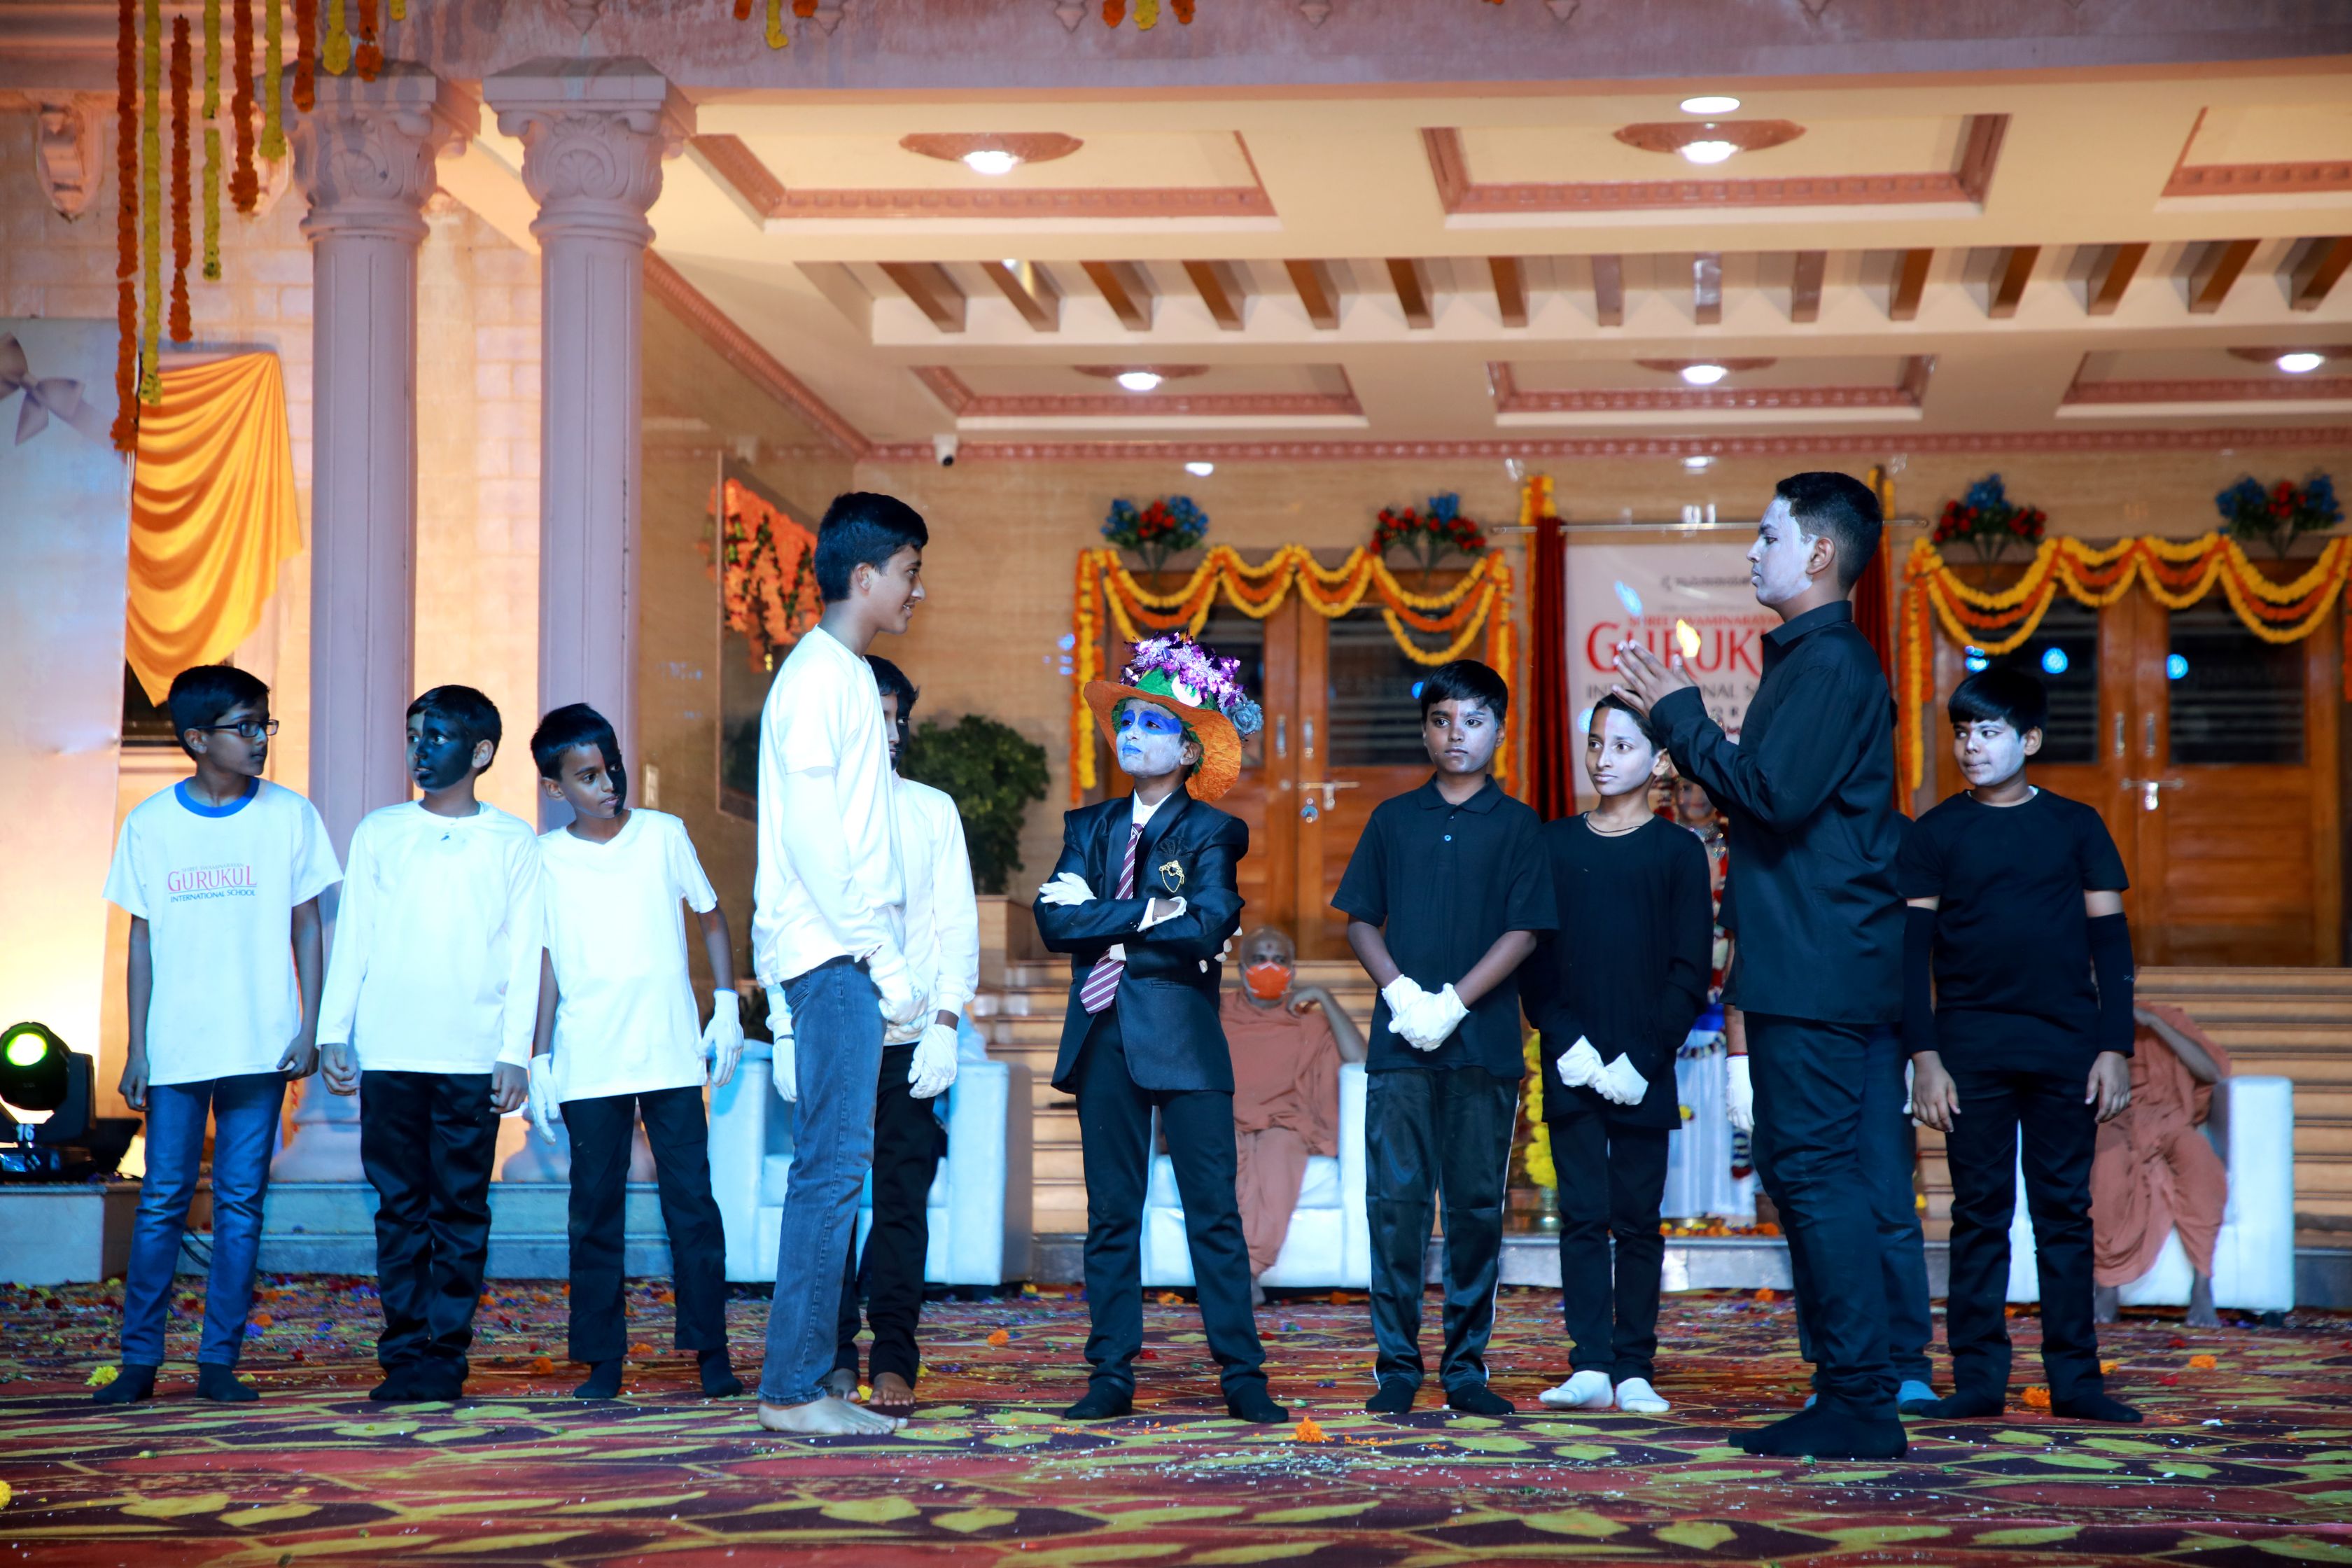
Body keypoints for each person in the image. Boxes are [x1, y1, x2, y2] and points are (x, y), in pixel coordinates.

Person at [1612, 470, 1907, 1460]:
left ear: (1819, 554)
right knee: (1803, 1172)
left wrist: (1684, 722)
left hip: (1823, 963)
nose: (1752, 552)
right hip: (1803, 958)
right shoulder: (1807, 665)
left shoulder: (1831, 667)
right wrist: (1693, 729)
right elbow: (1777, 798)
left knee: (1819, 1176)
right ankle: (1846, 1389)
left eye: (1768, 535)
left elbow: (1773, 798)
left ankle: (1862, 1399)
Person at [1033, 633, 1286, 1424]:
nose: (1132, 735)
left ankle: (1242, 1372)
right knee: (1112, 1213)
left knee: (1213, 1209)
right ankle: (1110, 1369)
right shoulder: (1088, 824)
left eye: (1151, 724)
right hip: (1103, 1032)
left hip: (1183, 1039)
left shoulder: (1212, 832)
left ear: (1185, 747)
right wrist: (1149, 912)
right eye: (1127, 722)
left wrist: (1103, 922)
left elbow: (1209, 925)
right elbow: (1051, 920)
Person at [95, 666, 340, 1406]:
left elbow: (308, 925)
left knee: (240, 1203)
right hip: (176, 1045)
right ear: (197, 738)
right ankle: (140, 1358)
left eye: (266, 724)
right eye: (246, 727)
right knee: (164, 1197)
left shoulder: (291, 815)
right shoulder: (150, 822)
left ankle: (217, 1360)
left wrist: (311, 1025)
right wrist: (137, 1046)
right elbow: (140, 940)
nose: (261, 739)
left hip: (261, 1042)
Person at [1905, 668, 2141, 1424]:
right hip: (1970, 1048)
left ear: (2030, 740)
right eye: (1964, 731)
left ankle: (2076, 1380)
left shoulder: (2077, 825)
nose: (1972, 745)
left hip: (2066, 1047)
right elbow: (1910, 956)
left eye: (1991, 730)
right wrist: (1926, 1055)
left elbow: (2112, 945)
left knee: (2064, 1213)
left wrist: (2115, 1047)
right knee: (1979, 1212)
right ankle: (1978, 1380)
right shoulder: (1936, 831)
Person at [750, 493, 937, 1436]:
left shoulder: (841, 676)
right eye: (909, 572)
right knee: (830, 1174)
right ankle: (793, 1389)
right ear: (863, 576)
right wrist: (882, 956)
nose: (917, 590)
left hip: (841, 956)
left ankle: (809, 1380)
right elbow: (824, 848)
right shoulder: (824, 678)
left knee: (834, 1173)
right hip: (834, 958)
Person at [1334, 658, 1555, 1418]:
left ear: (1497, 728)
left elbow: (1526, 931)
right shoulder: (1393, 818)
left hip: (1483, 1044)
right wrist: (1398, 990)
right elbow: (1360, 915)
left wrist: (1455, 1002)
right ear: (1424, 728)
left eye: (1472, 719)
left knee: (1473, 1207)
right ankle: (1397, 1363)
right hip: (1399, 1048)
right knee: (1393, 1204)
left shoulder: (1520, 824)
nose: (1455, 733)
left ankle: (1465, 1368)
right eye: (1440, 719)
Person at [316, 685, 542, 1404]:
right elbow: (353, 936)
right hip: (389, 1051)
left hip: (472, 1056)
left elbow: (525, 951)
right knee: (398, 1205)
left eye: (438, 735)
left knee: (462, 1207)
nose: (421, 747)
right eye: (414, 733)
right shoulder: (381, 830)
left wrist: (516, 1051)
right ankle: (403, 1349)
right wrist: (333, 1030)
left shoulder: (512, 840)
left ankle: (446, 1353)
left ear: (480, 752)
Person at [522, 703, 746, 1402]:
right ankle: (602, 1359)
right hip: (589, 1057)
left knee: (692, 1205)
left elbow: (710, 913)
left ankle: (711, 1351)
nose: (607, 783)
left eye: (611, 766)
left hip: (671, 1050)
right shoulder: (544, 857)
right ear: (557, 788)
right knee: (593, 1209)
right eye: (587, 775)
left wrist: (728, 1005)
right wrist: (538, 1057)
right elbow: (547, 957)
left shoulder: (662, 835)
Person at [1525, 696, 1712, 1416]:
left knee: (1637, 1216)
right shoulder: (1552, 843)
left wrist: (1641, 1056)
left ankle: (1634, 1363)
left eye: (1623, 745)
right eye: (1596, 742)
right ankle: (1590, 1363)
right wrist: (1565, 1039)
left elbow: (1688, 969)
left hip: (1646, 1062)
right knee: (1580, 1212)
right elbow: (1534, 955)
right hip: (1571, 1055)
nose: (1604, 758)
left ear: (1661, 761)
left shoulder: (1676, 851)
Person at [825, 654, 978, 1418]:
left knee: (900, 1201)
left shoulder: (929, 808)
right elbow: (789, 919)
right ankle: (827, 1353)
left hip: (911, 1039)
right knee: (828, 1198)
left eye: (897, 717)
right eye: (877, 716)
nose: (893, 732)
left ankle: (893, 1354)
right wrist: (788, 1030)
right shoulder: (813, 809)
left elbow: (957, 924)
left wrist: (946, 1024)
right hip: (832, 1032)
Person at [1223, 925, 1366, 1301]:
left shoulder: (1309, 1022)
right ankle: (1230, 1269)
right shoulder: (1217, 1012)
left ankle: (1247, 1271)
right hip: (1224, 1119)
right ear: (1241, 970)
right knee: (1221, 1157)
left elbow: (1361, 1060)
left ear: (1292, 971)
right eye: (1258, 959)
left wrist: (1325, 997)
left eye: (1279, 960)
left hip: (1286, 1125)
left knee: (1277, 1155)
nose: (1268, 967)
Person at [2092, 1004, 2230, 1329]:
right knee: (2106, 1173)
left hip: (2170, 1119)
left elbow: (2212, 1073)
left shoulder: (2165, 1019)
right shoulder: (2078, 1017)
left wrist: (2155, 1024)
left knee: (2203, 1168)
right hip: (2112, 1119)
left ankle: (2201, 1285)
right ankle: (2107, 1286)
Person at [1661, 772, 1749, 1219]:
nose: (1693, 796)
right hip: (1670, 990)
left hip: (1721, 999)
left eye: (1701, 787)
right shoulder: (1657, 841)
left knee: (1719, 1108)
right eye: (1683, 787)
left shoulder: (1736, 847)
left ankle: (1724, 1204)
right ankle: (1672, 1203)